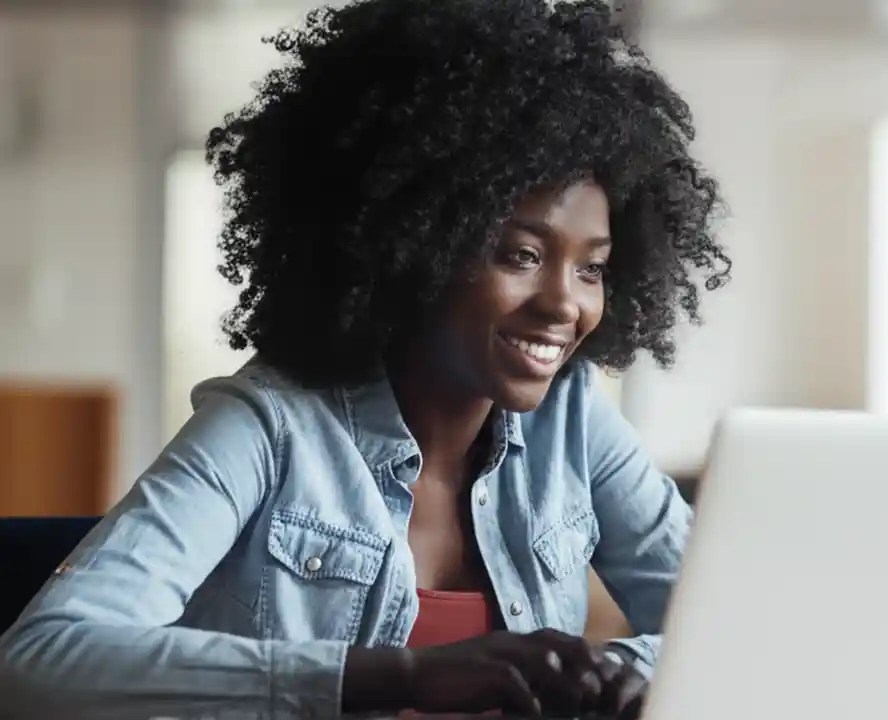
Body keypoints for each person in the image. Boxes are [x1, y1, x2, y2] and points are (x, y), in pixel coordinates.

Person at [0, 0, 729, 717]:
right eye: (522, 254)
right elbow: (42, 659)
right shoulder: (271, 427)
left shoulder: (571, 424)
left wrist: (611, 670)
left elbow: (737, 623)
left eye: (592, 268)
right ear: (411, 247)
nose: (564, 304)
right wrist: (399, 677)